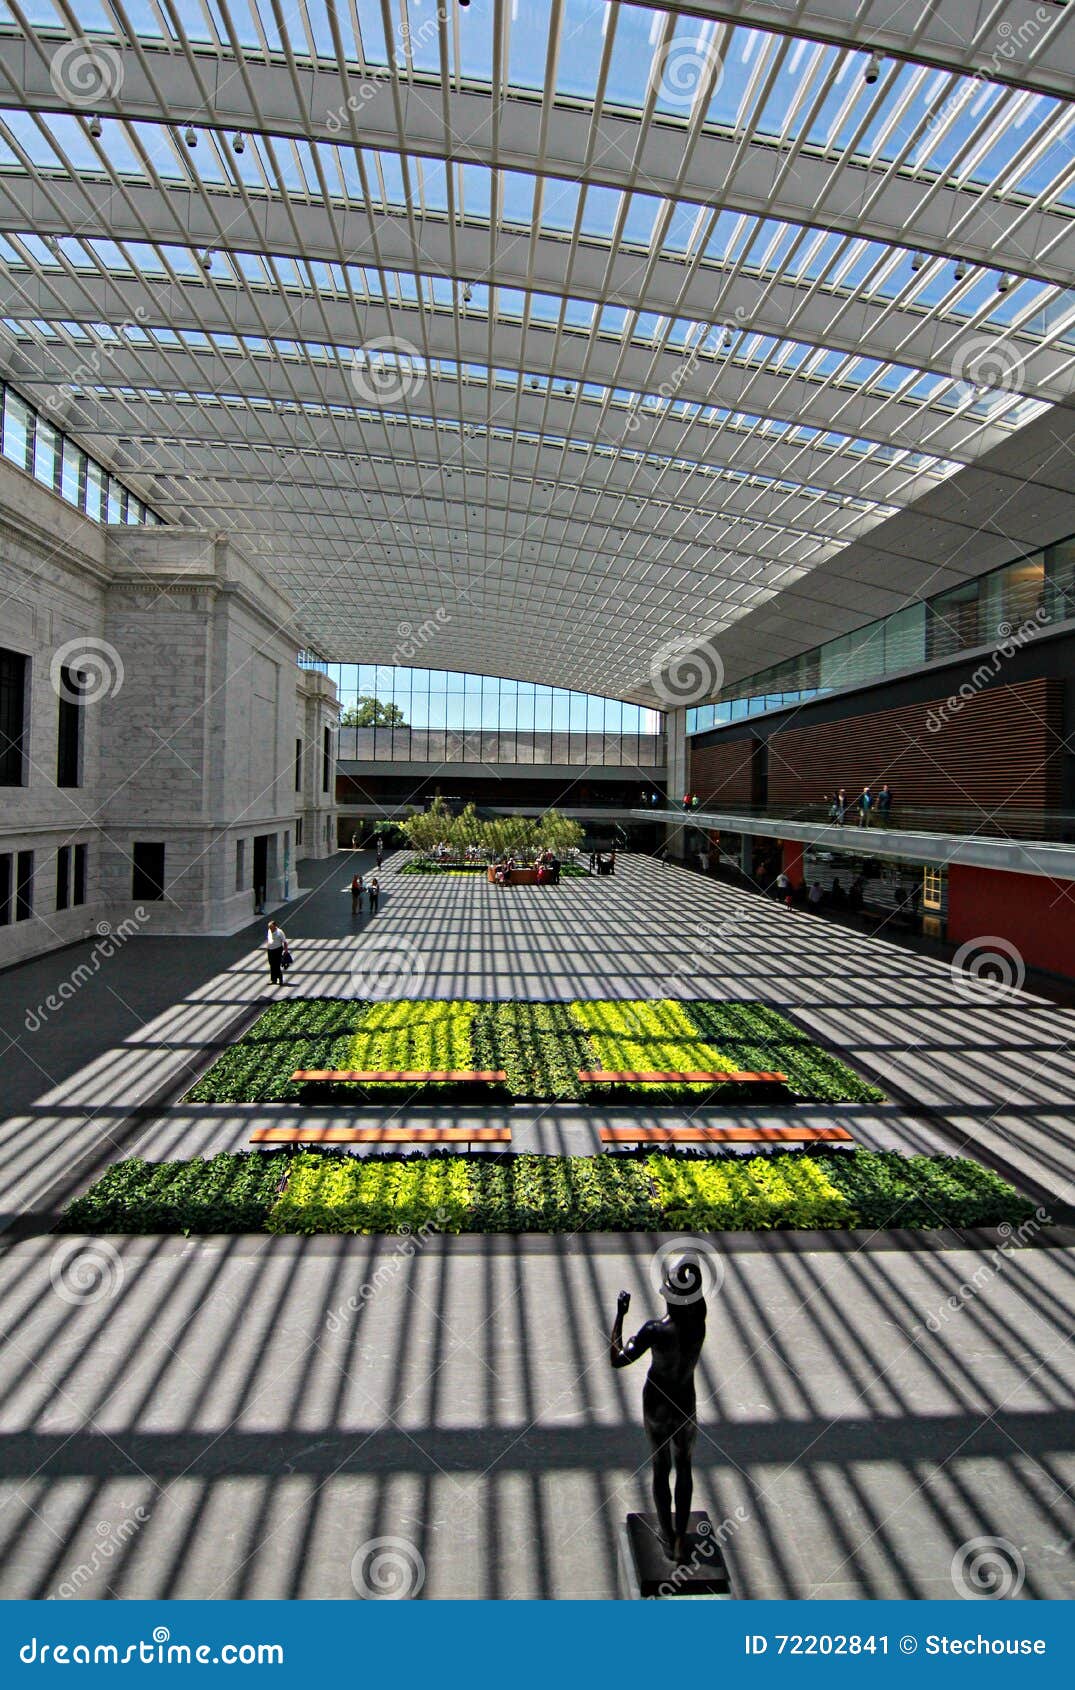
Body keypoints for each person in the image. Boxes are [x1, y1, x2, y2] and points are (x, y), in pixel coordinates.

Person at [609, 1256, 707, 1566]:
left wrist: (620, 1315)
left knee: (661, 1467)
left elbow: (618, 1358)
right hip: (685, 1403)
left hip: (657, 1404)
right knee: (685, 1466)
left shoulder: (654, 1330)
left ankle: (666, 1536)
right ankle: (680, 1538)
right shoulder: (698, 1326)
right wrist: (689, 1267)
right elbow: (699, 1297)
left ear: (667, 1296)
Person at [265, 919, 289, 985]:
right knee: (271, 965)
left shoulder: (280, 932)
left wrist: (286, 950)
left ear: (275, 926)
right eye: (269, 927)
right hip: (270, 950)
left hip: (277, 950)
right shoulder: (269, 931)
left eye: (272, 927)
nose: (270, 929)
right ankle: (273, 980)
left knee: (277, 965)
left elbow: (284, 941)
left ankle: (280, 979)